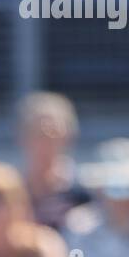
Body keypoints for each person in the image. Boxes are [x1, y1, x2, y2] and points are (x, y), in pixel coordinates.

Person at [18, 92, 90, 233]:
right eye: (37, 133)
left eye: (53, 133)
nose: (45, 143)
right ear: (21, 138)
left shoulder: (85, 192)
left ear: (69, 137)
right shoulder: (11, 193)